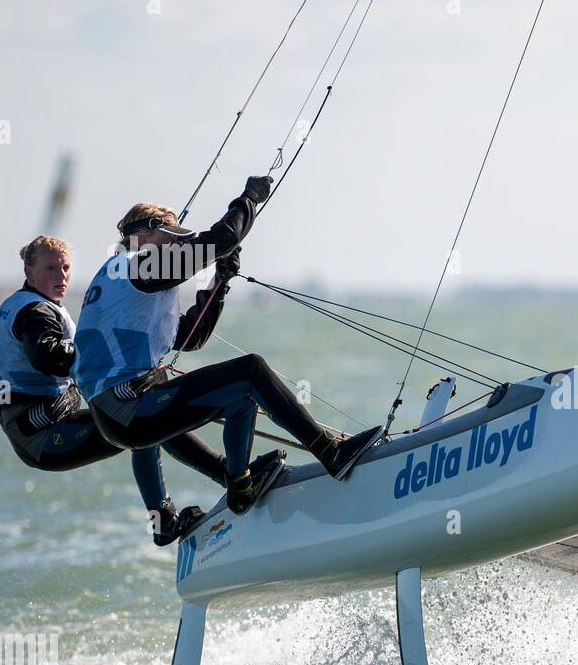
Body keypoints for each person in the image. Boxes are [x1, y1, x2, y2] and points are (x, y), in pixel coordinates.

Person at [73, 175, 377, 526]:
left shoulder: (124, 282)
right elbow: (221, 239)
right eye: (172, 237)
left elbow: (189, 338)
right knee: (251, 371)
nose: (177, 247)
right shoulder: (136, 263)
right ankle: (332, 452)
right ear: (148, 233)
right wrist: (249, 197)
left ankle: (241, 486)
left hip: (121, 412)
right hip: (127, 410)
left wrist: (219, 283)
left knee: (240, 393)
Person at [0, 235, 248, 546]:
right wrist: (94, 355)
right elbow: (47, 356)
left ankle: (171, 515)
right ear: (28, 271)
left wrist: (218, 284)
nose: (61, 275)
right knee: (142, 421)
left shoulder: (27, 306)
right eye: (51, 268)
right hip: (41, 436)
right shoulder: (35, 313)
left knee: (145, 418)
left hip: (42, 426)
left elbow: (188, 335)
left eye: (66, 267)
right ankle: (218, 479)